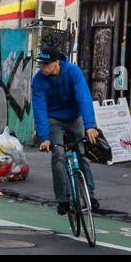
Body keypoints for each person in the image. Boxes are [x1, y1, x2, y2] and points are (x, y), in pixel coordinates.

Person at [32, 43, 101, 214]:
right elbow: (39, 108)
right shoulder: (38, 80)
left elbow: (84, 98)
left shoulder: (72, 72)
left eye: (45, 64)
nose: (42, 68)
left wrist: (90, 126)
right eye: (40, 64)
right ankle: (62, 199)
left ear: (57, 63)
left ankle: (90, 195)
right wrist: (44, 137)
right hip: (53, 118)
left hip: (74, 116)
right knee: (58, 156)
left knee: (82, 154)